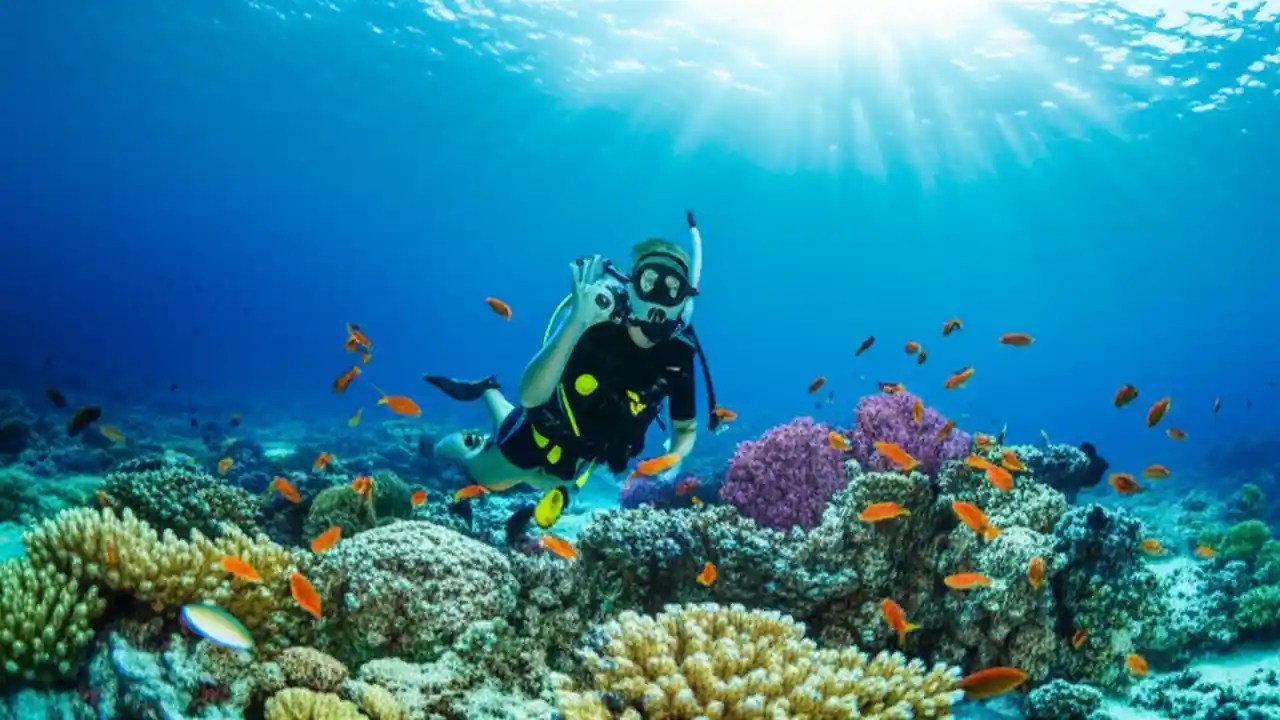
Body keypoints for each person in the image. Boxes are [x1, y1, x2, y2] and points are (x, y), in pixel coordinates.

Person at [426, 212, 722, 538]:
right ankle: (485, 397)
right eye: (649, 283)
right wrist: (577, 321)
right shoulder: (596, 323)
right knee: (487, 478)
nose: (658, 299)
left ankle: (492, 391)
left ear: (683, 300)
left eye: (672, 289)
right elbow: (531, 397)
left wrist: (674, 458)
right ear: (633, 284)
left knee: (546, 486)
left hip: (581, 462)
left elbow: (686, 428)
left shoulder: (678, 354)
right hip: (538, 434)